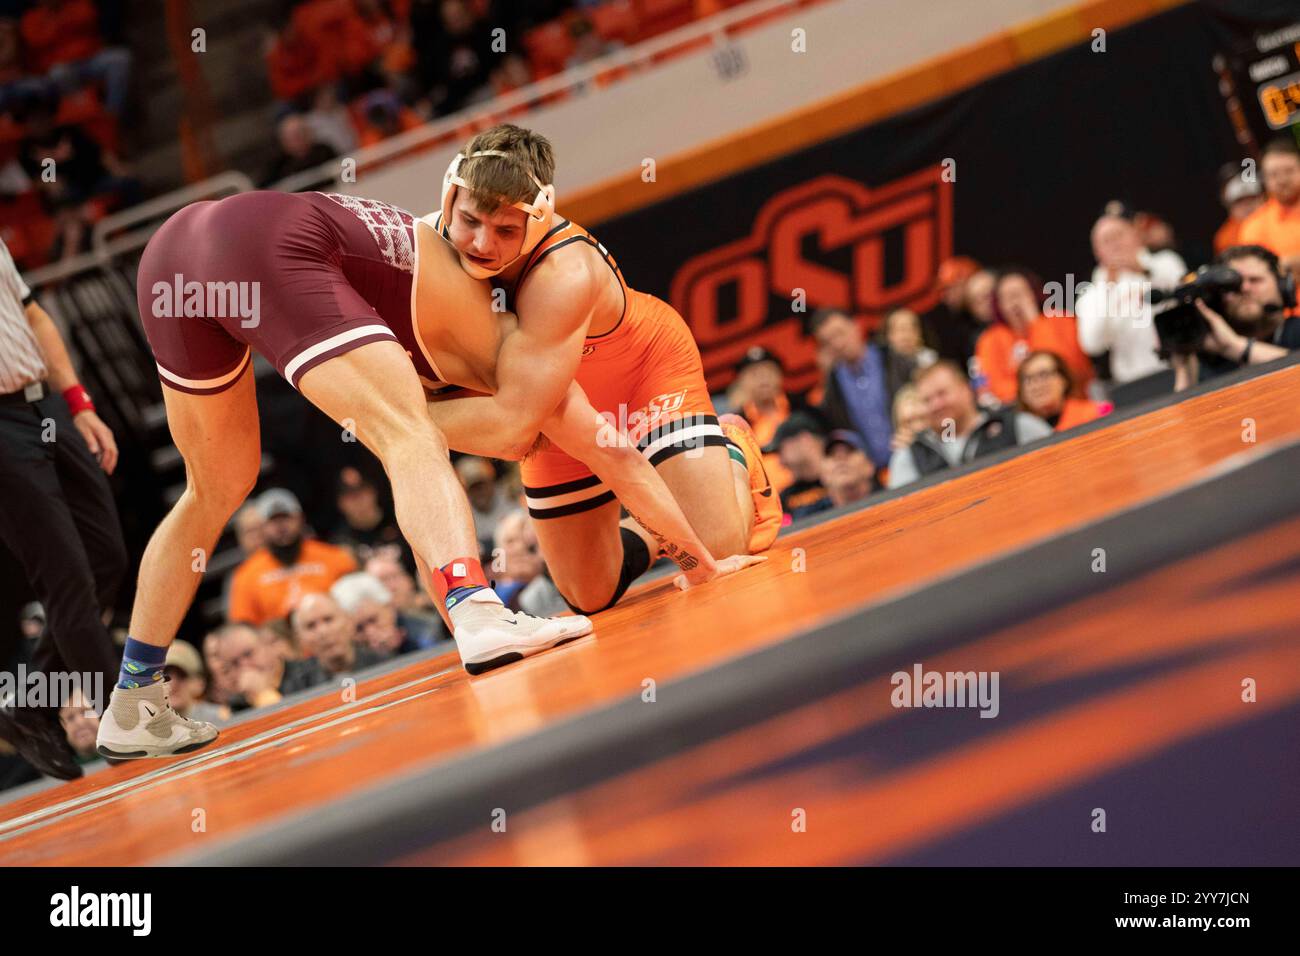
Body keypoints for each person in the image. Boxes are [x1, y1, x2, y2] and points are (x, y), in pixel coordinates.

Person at [97, 184, 751, 759]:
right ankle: (480, 606)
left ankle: (134, 699)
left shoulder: (465, 317)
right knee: (408, 433)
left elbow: (442, 506)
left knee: (215, 487)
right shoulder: (510, 349)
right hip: (264, 240)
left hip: (172, 256)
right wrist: (702, 562)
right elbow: (609, 454)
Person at [422, 124, 777, 615]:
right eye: (470, 220)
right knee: (589, 594)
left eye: (506, 230)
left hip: (643, 370)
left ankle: (733, 451)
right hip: (556, 401)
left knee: (720, 552)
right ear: (449, 197)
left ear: (540, 217)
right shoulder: (421, 253)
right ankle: (660, 527)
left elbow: (512, 426)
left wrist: (404, 421)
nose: (481, 243)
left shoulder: (563, 272)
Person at [0, 235, 125, 781]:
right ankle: (126, 719)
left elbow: (34, 315)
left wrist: (77, 402)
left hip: (44, 403)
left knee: (106, 559)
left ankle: (27, 701)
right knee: (68, 577)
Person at [886, 361, 1053, 489]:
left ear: (965, 390)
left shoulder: (1015, 425)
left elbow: (1057, 471)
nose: (936, 405)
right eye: (927, 400)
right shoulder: (910, 456)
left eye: (942, 394)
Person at [1074, 211, 1183, 386]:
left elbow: (1182, 293)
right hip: (1133, 382)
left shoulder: (1165, 262)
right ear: (1097, 252)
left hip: (1180, 368)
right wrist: (1107, 288)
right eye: (1106, 241)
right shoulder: (1091, 294)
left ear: (1136, 235)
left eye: (1119, 235)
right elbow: (1092, 345)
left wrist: (1143, 271)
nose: (1115, 244)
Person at [1171, 245, 1299, 390]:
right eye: (1232, 284)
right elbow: (1188, 411)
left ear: (1283, 285)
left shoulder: (1296, 331)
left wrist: (1235, 346)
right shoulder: (1212, 355)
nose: (1244, 288)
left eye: (1255, 280)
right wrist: (1184, 372)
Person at [228, 487, 357, 627]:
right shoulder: (246, 576)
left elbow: (355, 606)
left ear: (301, 518)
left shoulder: (335, 557)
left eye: (286, 517)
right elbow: (245, 629)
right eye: (273, 521)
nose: (281, 527)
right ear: (262, 527)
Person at [976, 267, 1093, 405]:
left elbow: (1072, 369)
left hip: (1073, 404)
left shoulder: (1061, 319)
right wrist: (1035, 398)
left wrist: (1036, 323)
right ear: (998, 305)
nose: (1015, 302)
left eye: (1019, 294)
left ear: (1033, 294)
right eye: (1007, 297)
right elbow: (996, 387)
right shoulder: (990, 340)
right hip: (1023, 414)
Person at [809, 307, 893, 468]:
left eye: (840, 333)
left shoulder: (891, 358)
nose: (837, 344)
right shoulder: (832, 389)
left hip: (913, 457)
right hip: (872, 475)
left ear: (857, 326)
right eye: (827, 341)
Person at [1238, 138, 1300, 273]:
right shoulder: (1254, 226)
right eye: (1274, 174)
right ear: (1264, 179)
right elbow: (1257, 274)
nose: (1282, 180)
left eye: (1289, 171)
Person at [1016, 350, 1110, 432]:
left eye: (1043, 375)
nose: (1037, 385)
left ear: (1063, 379)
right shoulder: (1017, 434)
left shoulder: (1096, 412)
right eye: (1028, 379)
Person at [765, 412, 833, 521]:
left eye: (781, 451)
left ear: (805, 440)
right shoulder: (785, 498)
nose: (781, 462)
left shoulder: (845, 474)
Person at [819, 430, 876, 508]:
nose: (840, 457)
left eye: (849, 451)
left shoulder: (894, 498)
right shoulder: (807, 517)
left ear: (869, 465)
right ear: (823, 474)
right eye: (831, 454)